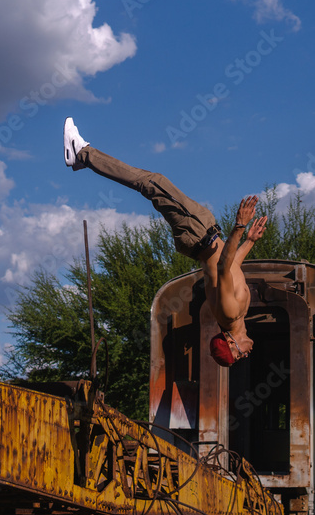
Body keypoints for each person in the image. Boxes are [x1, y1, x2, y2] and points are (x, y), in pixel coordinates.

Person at [63, 117, 267, 367]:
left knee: (152, 183)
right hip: (202, 234)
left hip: (198, 234)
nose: (244, 355)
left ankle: (82, 154)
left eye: (237, 356)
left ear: (230, 344)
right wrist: (249, 242)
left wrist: (239, 226)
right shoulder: (237, 315)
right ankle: (84, 158)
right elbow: (231, 268)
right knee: (153, 183)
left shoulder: (229, 314)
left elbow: (223, 268)